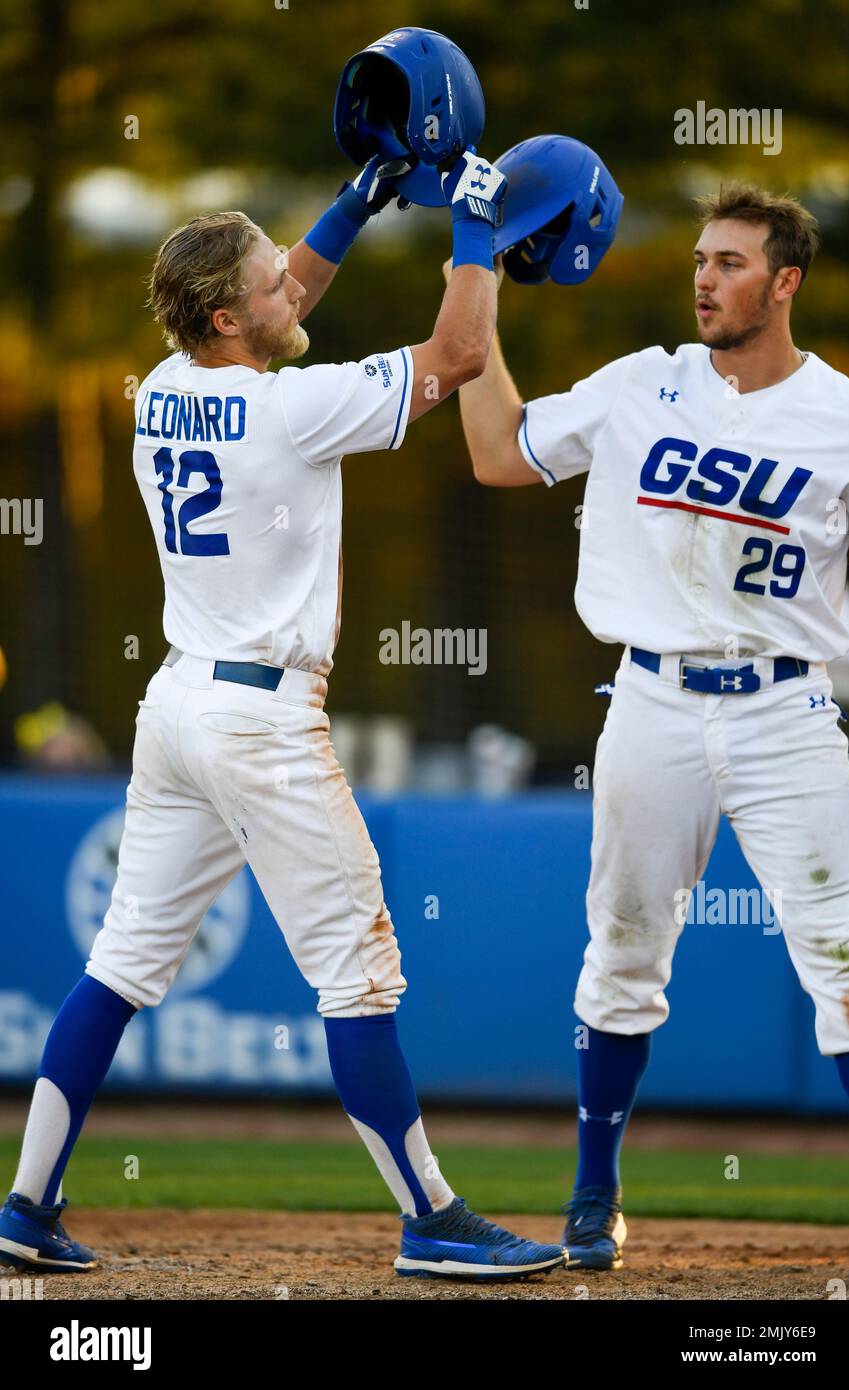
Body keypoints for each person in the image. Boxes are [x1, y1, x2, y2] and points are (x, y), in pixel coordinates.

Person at [0, 150, 566, 1282]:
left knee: (117, 966)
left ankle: (25, 1202)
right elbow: (457, 354)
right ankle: (431, 1218)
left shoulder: (164, 381)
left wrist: (358, 199)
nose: (293, 290)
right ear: (226, 316)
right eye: (270, 284)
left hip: (179, 704)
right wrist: (472, 226)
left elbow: (285, 301)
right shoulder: (294, 406)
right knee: (358, 975)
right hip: (260, 720)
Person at [454, 181, 849, 1270]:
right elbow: (498, 450)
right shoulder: (643, 383)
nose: (702, 276)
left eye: (729, 261)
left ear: (784, 282)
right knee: (623, 955)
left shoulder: (846, 419)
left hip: (787, 707)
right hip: (649, 703)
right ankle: (592, 1195)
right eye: (697, 257)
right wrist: (475, 275)